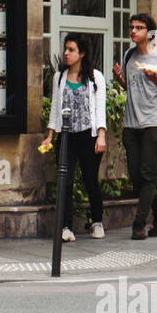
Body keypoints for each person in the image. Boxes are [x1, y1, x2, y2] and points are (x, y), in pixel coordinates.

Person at [112, 13, 157, 240]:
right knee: (136, 176)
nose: (133, 31)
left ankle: (139, 224)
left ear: (148, 33)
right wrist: (120, 79)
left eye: (138, 28)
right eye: (131, 27)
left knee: (147, 175)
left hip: (154, 122)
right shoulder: (129, 55)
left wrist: (155, 80)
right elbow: (132, 88)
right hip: (131, 122)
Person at [42, 35, 108, 241]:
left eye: (71, 50)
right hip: (67, 137)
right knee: (66, 182)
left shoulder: (96, 77)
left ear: (82, 54)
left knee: (90, 181)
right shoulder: (59, 78)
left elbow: (100, 108)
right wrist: (50, 135)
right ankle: (66, 227)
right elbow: (55, 107)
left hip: (88, 136)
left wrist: (101, 135)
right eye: (65, 49)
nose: (66, 53)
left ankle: (97, 222)